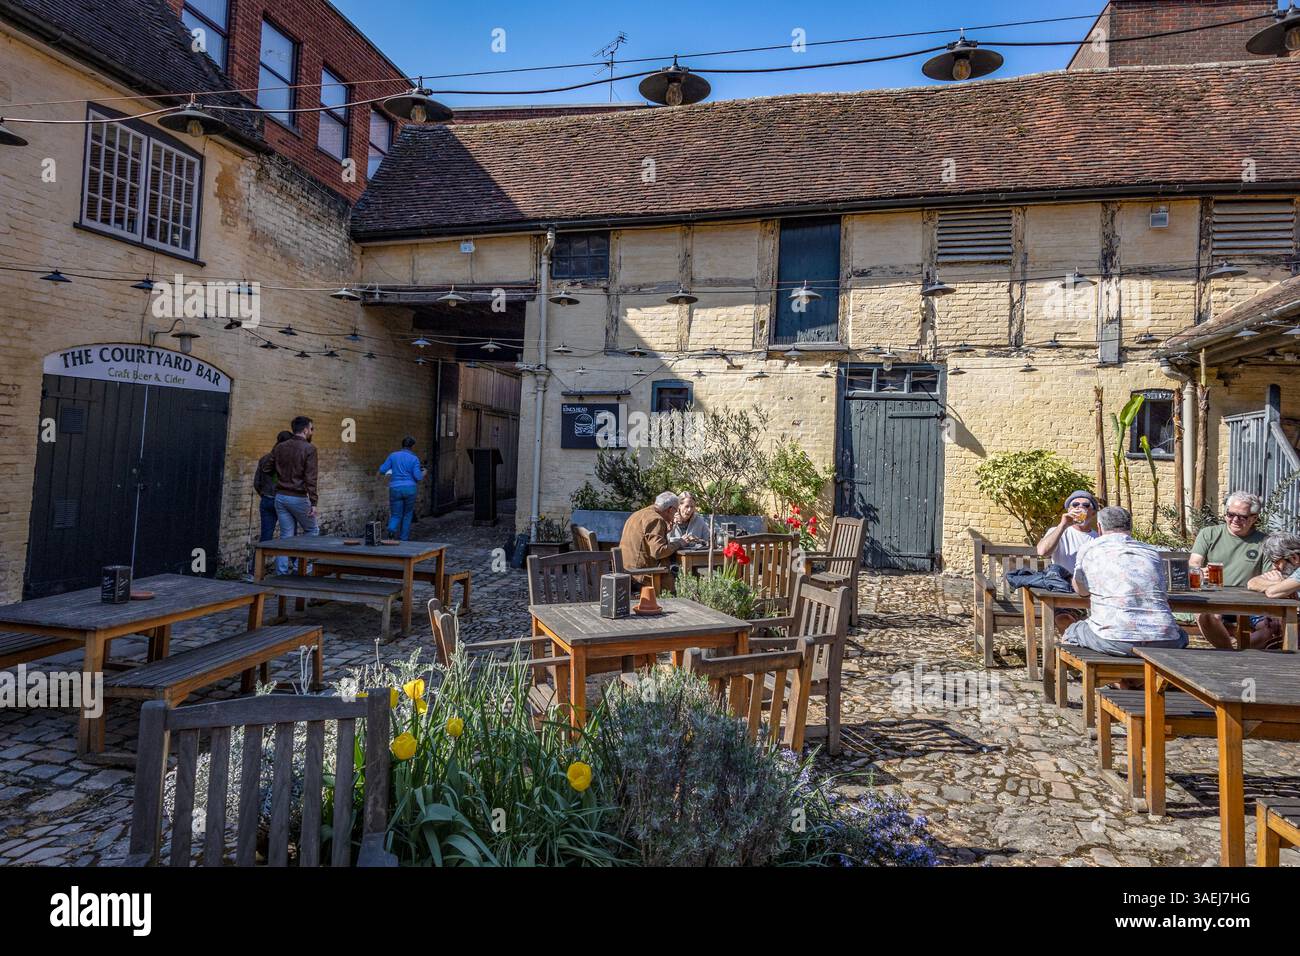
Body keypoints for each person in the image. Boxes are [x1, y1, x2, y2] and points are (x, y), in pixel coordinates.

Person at [1061, 506, 1189, 657]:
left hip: (1114, 638)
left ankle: (1096, 678)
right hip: (1166, 639)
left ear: (1100, 527)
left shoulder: (1089, 548)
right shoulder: (1151, 551)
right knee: (1182, 635)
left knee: (1072, 632)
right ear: (1130, 527)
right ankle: (1131, 681)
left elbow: (1081, 591)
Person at [1190, 491, 1267, 649]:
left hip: (1251, 602)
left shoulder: (1265, 542)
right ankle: (1230, 653)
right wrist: (1199, 571)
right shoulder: (1209, 534)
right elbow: (1194, 563)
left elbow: (1269, 576)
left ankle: (1234, 655)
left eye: (1242, 516)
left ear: (1254, 518)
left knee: (1268, 628)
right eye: (1231, 514)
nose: (1235, 520)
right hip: (1215, 598)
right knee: (1206, 615)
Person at [1035, 489, 1100, 634]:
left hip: (1090, 595)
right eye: (1075, 505)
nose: (1079, 508)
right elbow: (1042, 552)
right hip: (1063, 594)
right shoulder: (1059, 531)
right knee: (1064, 618)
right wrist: (1063, 525)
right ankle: (1071, 649)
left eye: (1085, 505)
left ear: (1093, 513)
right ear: (1069, 510)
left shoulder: (1098, 539)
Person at [262, 415, 319, 574]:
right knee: (312, 530)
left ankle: (281, 572)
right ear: (306, 429)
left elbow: (266, 468)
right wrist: (314, 502)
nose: (311, 432)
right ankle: (301, 568)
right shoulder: (309, 449)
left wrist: (281, 474)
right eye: (311, 429)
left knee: (286, 535)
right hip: (298, 497)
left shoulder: (280, 447)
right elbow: (311, 478)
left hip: (280, 497)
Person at [1243, 531, 1300, 650]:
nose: (1274, 567)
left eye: (1276, 562)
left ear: (1294, 558)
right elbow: (1252, 583)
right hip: (1291, 619)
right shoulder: (1288, 569)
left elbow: (1272, 592)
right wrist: (1282, 585)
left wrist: (1281, 587)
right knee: (1266, 630)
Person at [618, 491, 683, 588]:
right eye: (676, 510)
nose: (676, 514)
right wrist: (680, 543)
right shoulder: (656, 519)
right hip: (639, 575)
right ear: (670, 509)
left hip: (626, 570)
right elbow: (658, 552)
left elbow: (644, 541)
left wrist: (665, 532)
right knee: (679, 578)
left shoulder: (638, 514)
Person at [378, 436, 425, 542]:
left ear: (402, 444)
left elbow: (382, 470)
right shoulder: (414, 459)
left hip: (395, 488)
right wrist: (424, 473)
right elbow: (418, 477)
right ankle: (403, 538)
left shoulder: (393, 456)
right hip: (410, 489)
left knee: (395, 514)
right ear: (412, 446)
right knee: (407, 514)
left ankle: (391, 530)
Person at [253, 430, 295, 547]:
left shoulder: (264, 459)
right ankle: (294, 563)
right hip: (284, 500)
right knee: (289, 536)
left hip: (266, 499)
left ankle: (257, 564)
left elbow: (257, 483)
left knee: (265, 536)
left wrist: (264, 495)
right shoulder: (290, 460)